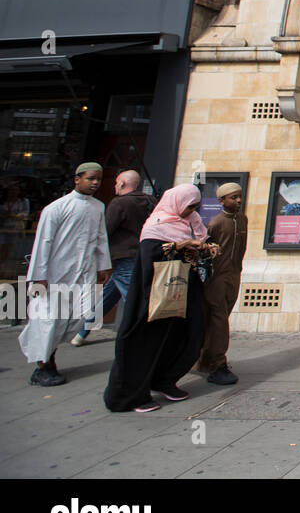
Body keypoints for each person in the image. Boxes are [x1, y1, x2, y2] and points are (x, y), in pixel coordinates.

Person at [103, 184, 212, 413]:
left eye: (194, 206)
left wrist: (203, 248)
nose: (190, 211)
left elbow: (199, 242)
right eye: (188, 206)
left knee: (190, 333)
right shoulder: (157, 223)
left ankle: (165, 379)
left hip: (182, 288)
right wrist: (180, 245)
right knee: (145, 341)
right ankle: (129, 395)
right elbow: (150, 255)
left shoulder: (192, 222)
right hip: (154, 292)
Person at [19, 163, 112, 386]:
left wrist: (103, 266)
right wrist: (39, 276)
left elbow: (101, 238)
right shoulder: (56, 208)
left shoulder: (98, 207)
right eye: (90, 178)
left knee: (78, 316)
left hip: (84, 272)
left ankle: (48, 357)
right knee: (49, 320)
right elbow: (43, 243)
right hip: (55, 275)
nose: (95, 183)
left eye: (98, 179)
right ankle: (43, 365)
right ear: (77, 179)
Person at [71, 169, 155, 347]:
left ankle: (143, 339)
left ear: (123, 184)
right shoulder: (149, 200)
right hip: (141, 254)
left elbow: (105, 230)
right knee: (109, 295)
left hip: (121, 256)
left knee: (131, 297)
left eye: (117, 182)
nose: (115, 185)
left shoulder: (119, 203)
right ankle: (82, 332)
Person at [197, 182, 248, 384]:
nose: (238, 201)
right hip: (217, 277)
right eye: (233, 197)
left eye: (239, 197)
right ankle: (218, 363)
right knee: (218, 320)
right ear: (221, 201)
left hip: (234, 275)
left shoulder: (242, 220)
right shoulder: (216, 223)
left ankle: (206, 359)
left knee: (222, 316)